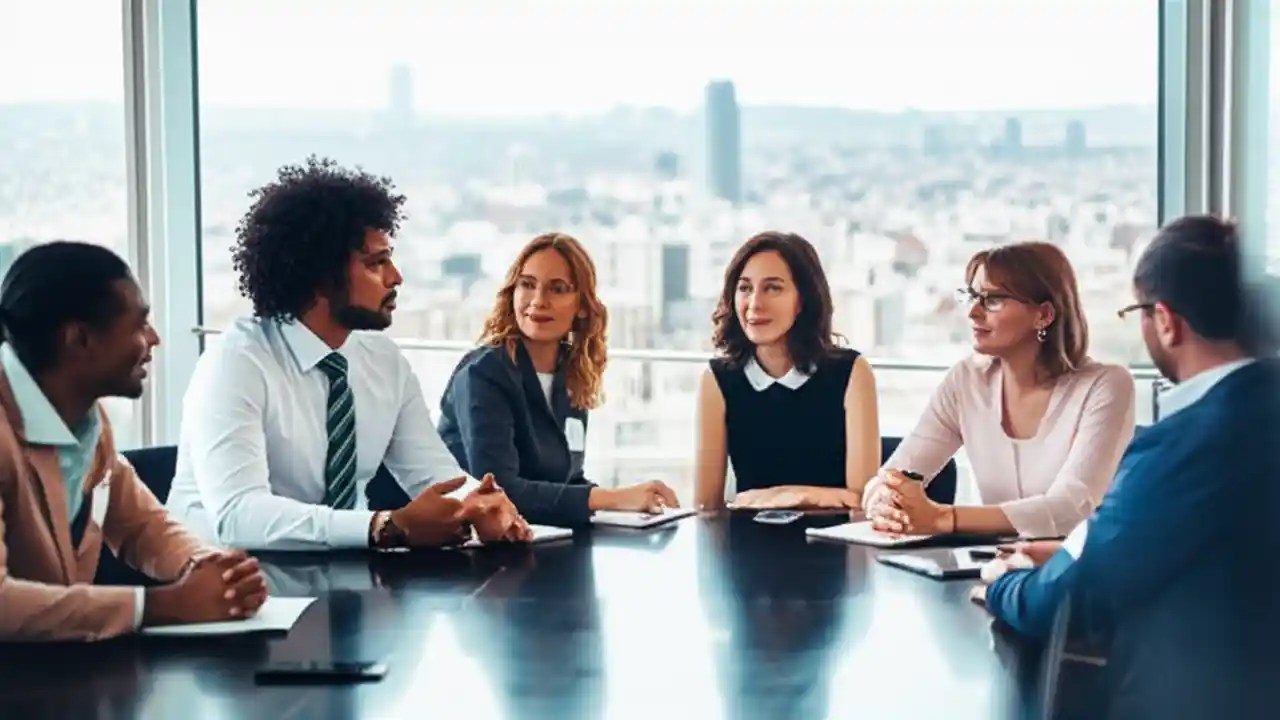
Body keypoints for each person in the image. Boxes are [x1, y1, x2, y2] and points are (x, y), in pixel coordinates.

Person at [974, 216, 1280, 718]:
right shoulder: (1255, 413)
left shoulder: (1188, 444)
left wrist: (1003, 580)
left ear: (1164, 319)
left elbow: (1067, 601)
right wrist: (1079, 552)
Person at [167, 156, 531, 551]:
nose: (396, 277)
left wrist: (480, 504)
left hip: (346, 574)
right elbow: (238, 515)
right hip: (225, 580)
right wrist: (384, 526)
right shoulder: (236, 363)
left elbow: (433, 473)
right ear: (320, 276)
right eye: (376, 263)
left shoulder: (383, 360)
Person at [0, 242, 266, 641]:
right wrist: (165, 605)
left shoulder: (87, 422)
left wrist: (215, 571)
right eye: (139, 324)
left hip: (52, 676)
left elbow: (142, 526)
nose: (154, 338)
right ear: (80, 339)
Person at [864, 242, 1134, 538]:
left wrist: (944, 518)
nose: (973, 313)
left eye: (992, 300)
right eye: (972, 296)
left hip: (1078, 572)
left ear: (1043, 315)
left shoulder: (1106, 385)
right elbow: (894, 475)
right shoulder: (966, 380)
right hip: (993, 567)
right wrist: (884, 501)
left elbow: (1070, 508)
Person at [437, 233, 679, 526]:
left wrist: (634, 504)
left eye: (558, 289)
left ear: (581, 305)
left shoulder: (571, 375)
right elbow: (498, 492)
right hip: (460, 546)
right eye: (527, 285)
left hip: (535, 538)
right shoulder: (483, 374)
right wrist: (614, 497)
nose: (539, 301)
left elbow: (569, 480)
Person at [694, 231, 881, 510]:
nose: (755, 304)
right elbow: (705, 508)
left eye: (773, 288)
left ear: (803, 300)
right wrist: (827, 496)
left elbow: (863, 502)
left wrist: (792, 495)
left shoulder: (852, 373)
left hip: (833, 546)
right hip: (750, 547)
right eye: (745, 288)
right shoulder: (719, 379)